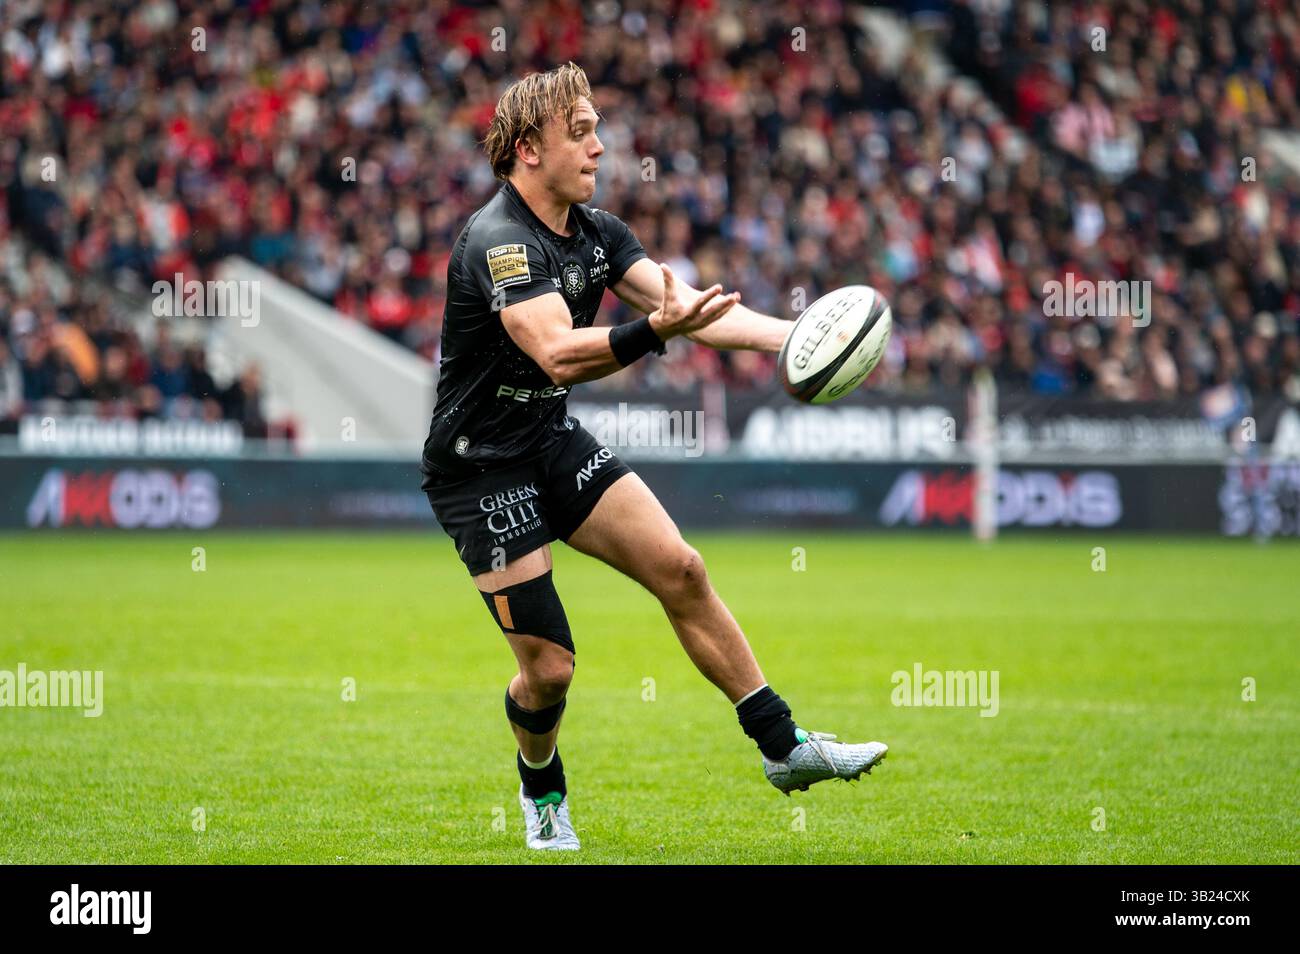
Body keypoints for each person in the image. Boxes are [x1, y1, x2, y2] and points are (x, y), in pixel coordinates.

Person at [421, 62, 887, 851]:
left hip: (547, 440)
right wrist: (654, 334)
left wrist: (796, 340)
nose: (601, 147)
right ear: (529, 148)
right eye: (582, 131)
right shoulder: (499, 241)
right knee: (552, 670)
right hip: (479, 467)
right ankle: (543, 793)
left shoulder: (600, 235)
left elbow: (690, 312)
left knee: (683, 570)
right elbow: (558, 355)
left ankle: (784, 749)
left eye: (599, 127)